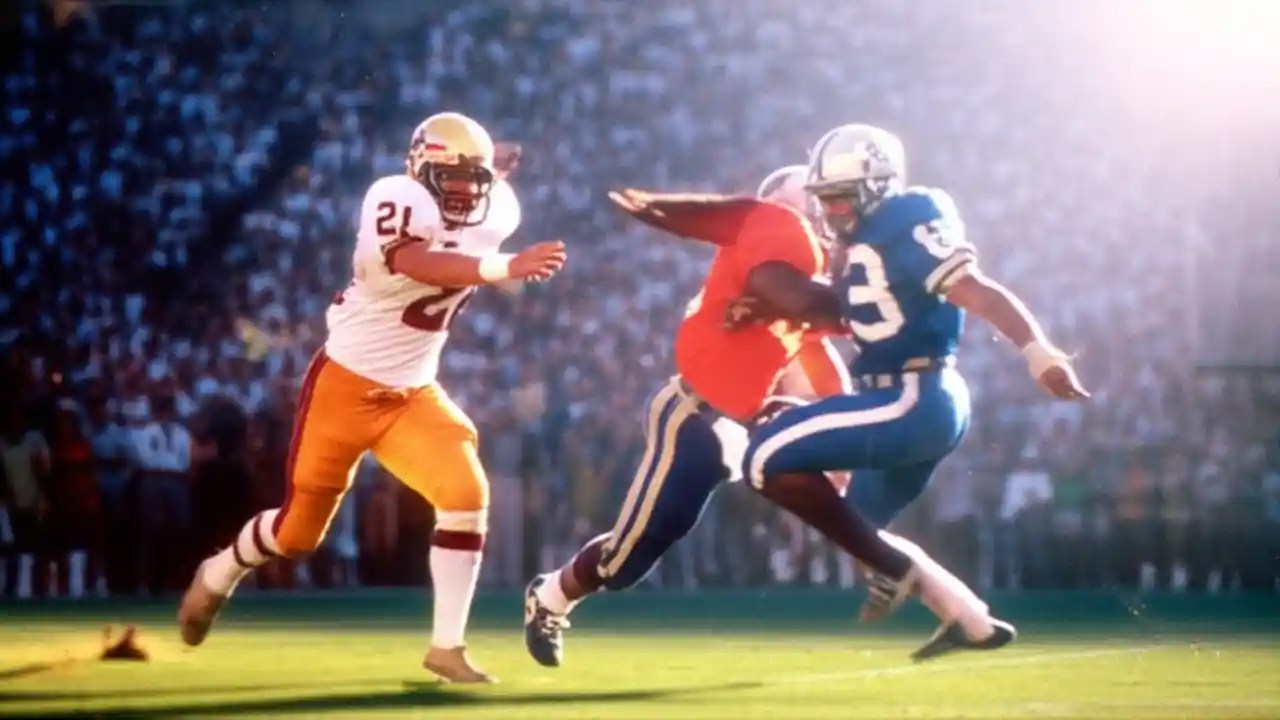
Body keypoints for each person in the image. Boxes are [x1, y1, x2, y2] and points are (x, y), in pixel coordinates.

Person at [524, 167, 1009, 668]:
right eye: (812, 201)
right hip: (697, 413)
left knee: (851, 520)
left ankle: (963, 613)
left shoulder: (806, 259)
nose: (823, 214)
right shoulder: (775, 231)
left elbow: (819, 357)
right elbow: (798, 298)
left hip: (750, 418)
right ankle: (551, 595)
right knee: (626, 560)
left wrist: (842, 419)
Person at [178, 112, 567, 683]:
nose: (465, 194)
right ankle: (221, 569)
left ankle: (446, 647)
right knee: (297, 535)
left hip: (413, 392)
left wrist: (485, 165)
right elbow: (417, 261)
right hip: (345, 386)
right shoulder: (392, 197)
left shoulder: (499, 206)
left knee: (466, 492)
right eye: (451, 180)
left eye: (473, 182)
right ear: (419, 168)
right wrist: (504, 264)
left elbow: (473, 211)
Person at [738, 124, 1087, 657]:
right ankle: (970, 620)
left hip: (910, 397)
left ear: (878, 185)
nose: (830, 212)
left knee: (763, 458)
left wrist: (1038, 352)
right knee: (858, 530)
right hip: (914, 398)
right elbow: (854, 304)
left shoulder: (908, 219)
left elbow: (976, 292)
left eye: (838, 198)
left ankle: (894, 573)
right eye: (824, 200)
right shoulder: (863, 245)